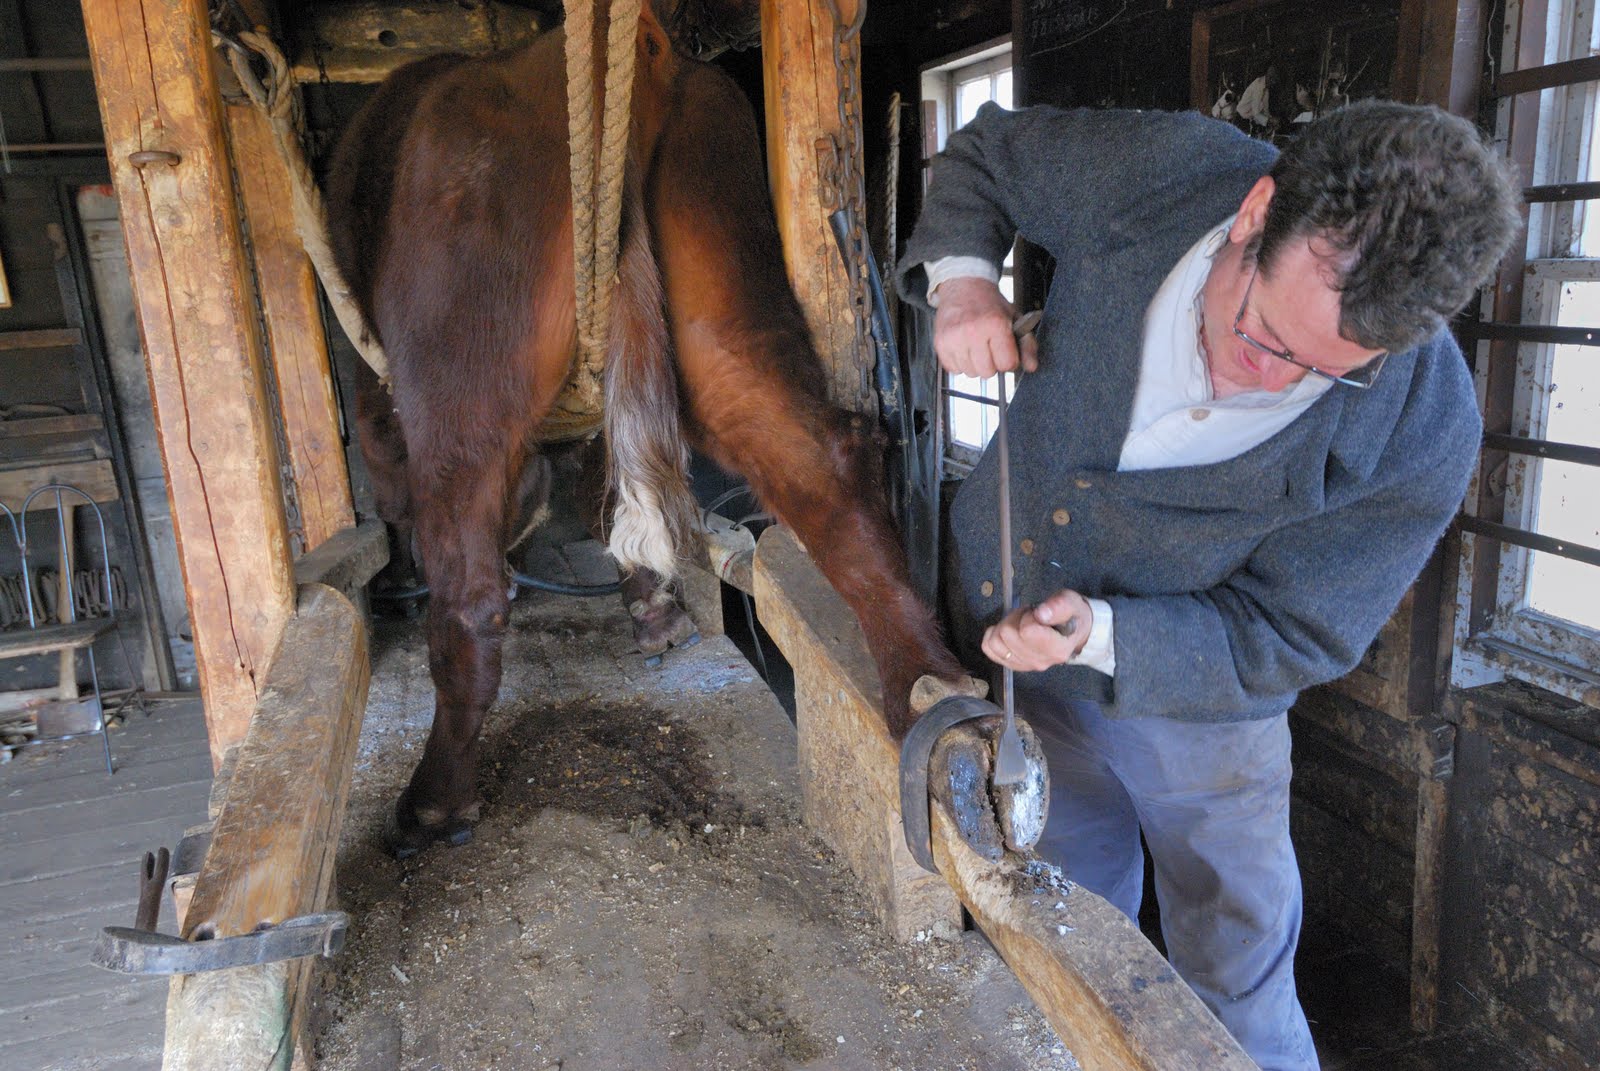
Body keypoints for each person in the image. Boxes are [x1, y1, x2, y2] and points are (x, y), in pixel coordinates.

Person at [896, 99, 1520, 1071]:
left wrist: (1104, 634)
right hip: (1007, 649)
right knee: (1057, 923)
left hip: (1204, 715)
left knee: (1235, 988)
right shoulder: (1166, 170)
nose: (1268, 384)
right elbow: (987, 157)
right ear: (1254, 210)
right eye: (1265, 332)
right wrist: (965, 285)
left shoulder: (1420, 425)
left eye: (1324, 373)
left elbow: (1294, 631)